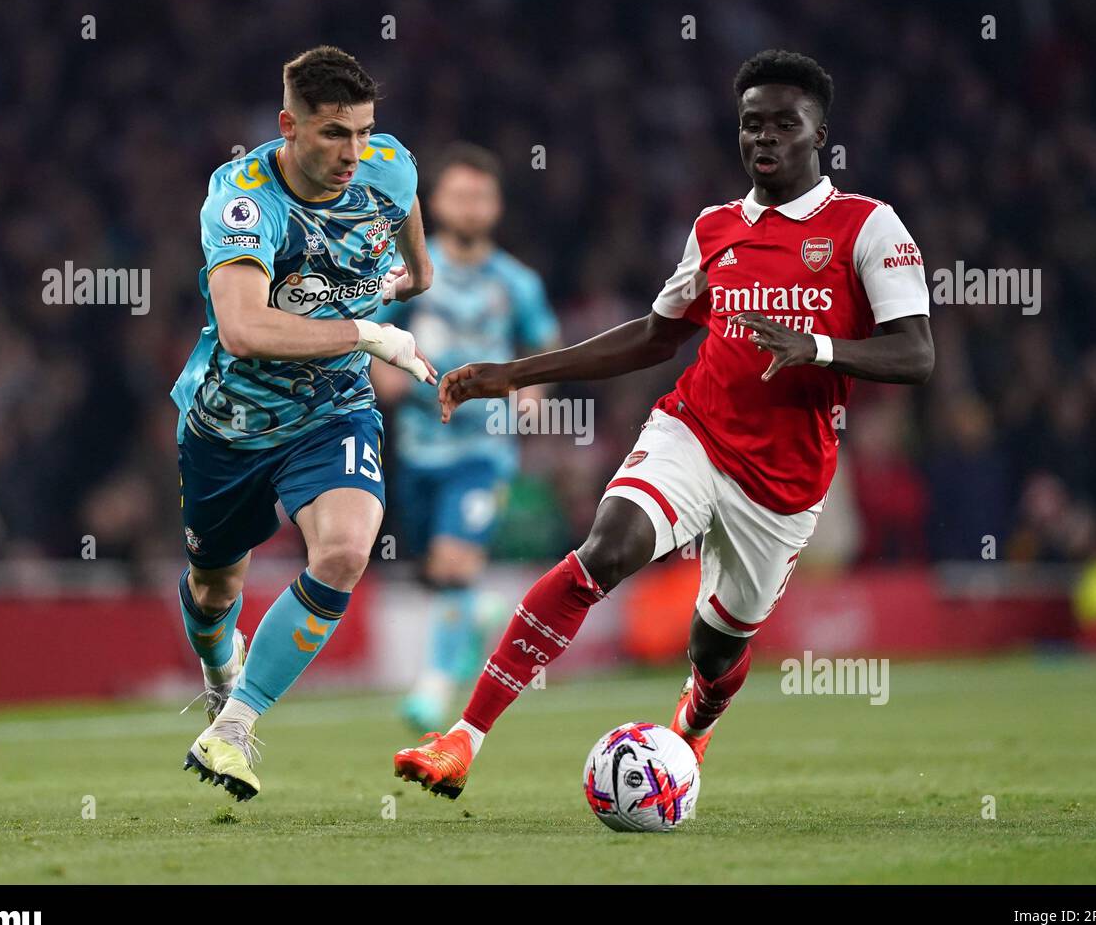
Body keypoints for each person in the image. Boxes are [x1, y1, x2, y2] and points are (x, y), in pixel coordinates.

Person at [393, 49, 934, 800]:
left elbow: (916, 353)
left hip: (783, 484)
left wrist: (814, 347)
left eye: (784, 122)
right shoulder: (715, 229)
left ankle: (699, 716)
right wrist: (516, 372)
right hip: (694, 431)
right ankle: (463, 735)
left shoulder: (866, 227)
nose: (765, 138)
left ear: (820, 132)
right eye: (752, 125)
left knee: (715, 649)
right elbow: (654, 335)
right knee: (604, 550)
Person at [171, 45, 436, 801]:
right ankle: (222, 671)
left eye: (362, 131)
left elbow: (406, 200)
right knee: (215, 589)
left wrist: (417, 275)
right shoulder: (243, 199)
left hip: (333, 409)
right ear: (289, 126)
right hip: (231, 422)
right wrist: (368, 333)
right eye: (331, 134)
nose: (354, 152)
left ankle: (235, 726)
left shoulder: (385, 163)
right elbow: (245, 330)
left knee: (348, 549)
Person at [372, 143, 559, 731]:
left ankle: (432, 688)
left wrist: (533, 392)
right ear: (434, 203)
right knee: (436, 569)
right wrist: (382, 369)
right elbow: (372, 330)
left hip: (483, 449)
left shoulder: (516, 282)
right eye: (458, 194)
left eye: (480, 195)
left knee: (454, 562)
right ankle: (476, 609)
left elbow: (546, 349)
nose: (470, 205)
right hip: (416, 448)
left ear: (497, 205)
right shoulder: (408, 273)